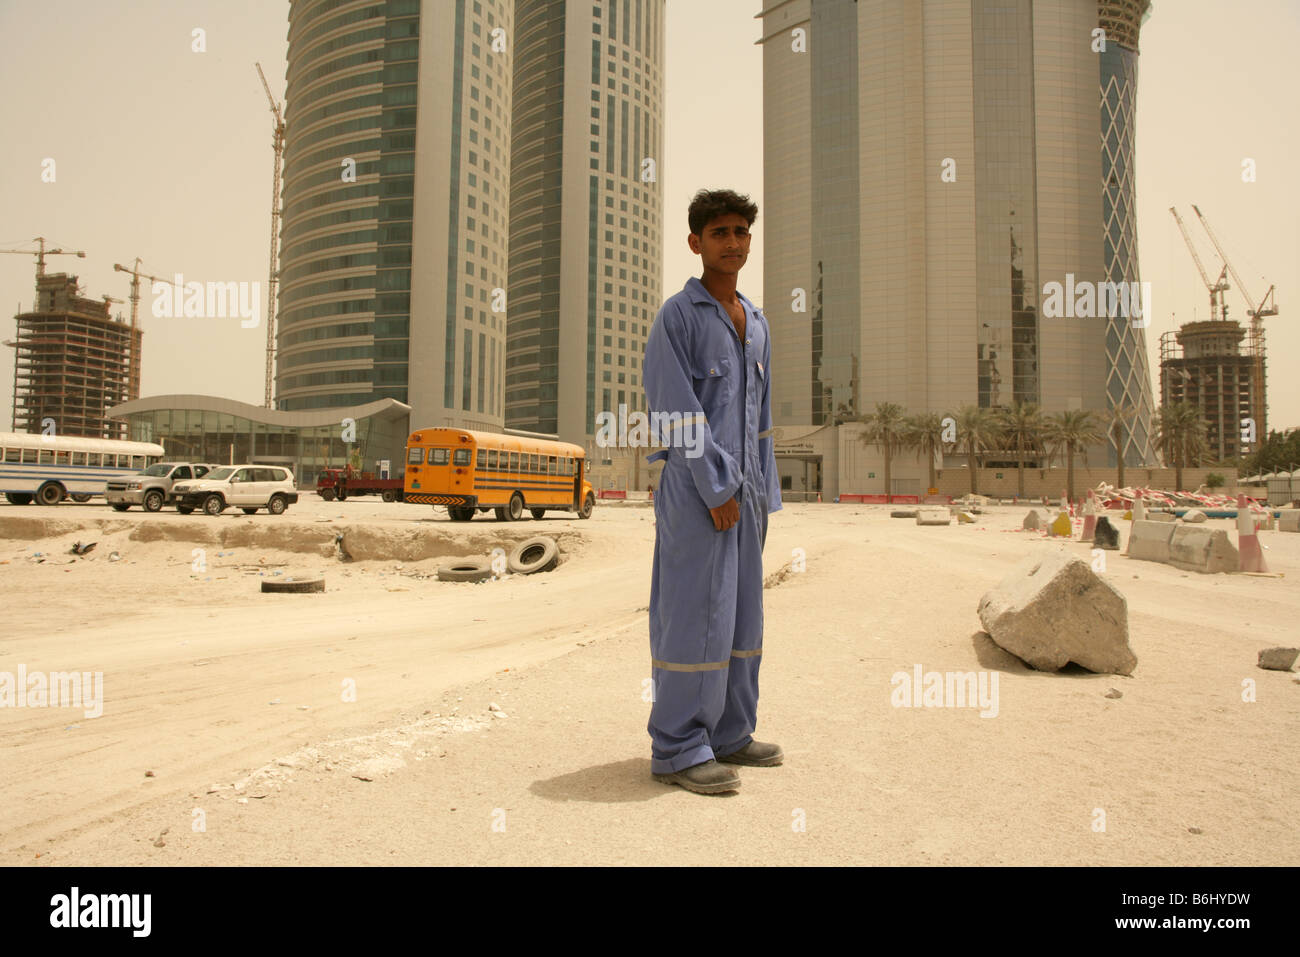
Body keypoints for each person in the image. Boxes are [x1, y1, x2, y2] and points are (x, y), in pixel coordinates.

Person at [642, 188, 783, 795]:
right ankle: (678, 748)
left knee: (742, 615)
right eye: (720, 232)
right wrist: (718, 487)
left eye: (741, 232)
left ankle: (730, 733)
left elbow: (763, 418)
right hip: (699, 493)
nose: (733, 242)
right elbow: (676, 411)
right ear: (696, 242)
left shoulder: (757, 324)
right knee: (694, 617)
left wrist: (761, 496)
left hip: (746, 498)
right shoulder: (677, 316)